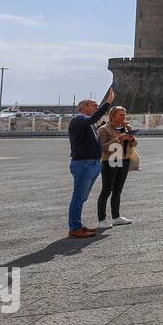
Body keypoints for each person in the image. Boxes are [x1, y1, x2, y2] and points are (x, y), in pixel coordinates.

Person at [67, 88, 115, 237]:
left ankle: (77, 225)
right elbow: (93, 118)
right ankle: (75, 228)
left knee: (82, 197)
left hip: (91, 163)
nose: (96, 107)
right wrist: (107, 103)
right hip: (84, 164)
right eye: (94, 105)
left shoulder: (86, 123)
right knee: (78, 196)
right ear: (84, 107)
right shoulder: (79, 119)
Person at [96, 106, 137, 229]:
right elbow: (102, 147)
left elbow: (135, 144)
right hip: (111, 161)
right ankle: (101, 219)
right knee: (106, 190)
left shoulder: (126, 128)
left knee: (118, 190)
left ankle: (116, 217)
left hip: (124, 160)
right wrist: (118, 138)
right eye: (121, 115)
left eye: (124, 115)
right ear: (113, 116)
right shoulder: (104, 129)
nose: (124, 117)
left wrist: (131, 138)